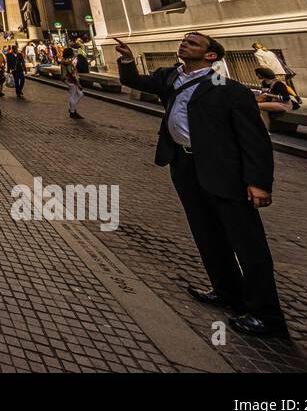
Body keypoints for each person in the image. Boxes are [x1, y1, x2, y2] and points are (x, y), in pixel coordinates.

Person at [114, 32, 287, 338]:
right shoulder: (170, 77)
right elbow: (134, 82)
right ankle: (227, 291)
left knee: (247, 243)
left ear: (211, 57)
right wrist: (127, 59)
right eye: (184, 41)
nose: (184, 45)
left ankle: (266, 314)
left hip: (224, 172)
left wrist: (258, 183)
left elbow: (255, 140)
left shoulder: (230, 91)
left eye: (193, 44)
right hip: (184, 165)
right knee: (206, 233)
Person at [61, 47, 84, 119]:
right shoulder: (69, 62)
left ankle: (72, 108)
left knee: (79, 94)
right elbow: (72, 73)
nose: (74, 53)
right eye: (73, 52)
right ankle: (72, 111)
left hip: (67, 79)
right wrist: (78, 83)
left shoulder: (64, 61)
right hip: (71, 80)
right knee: (74, 95)